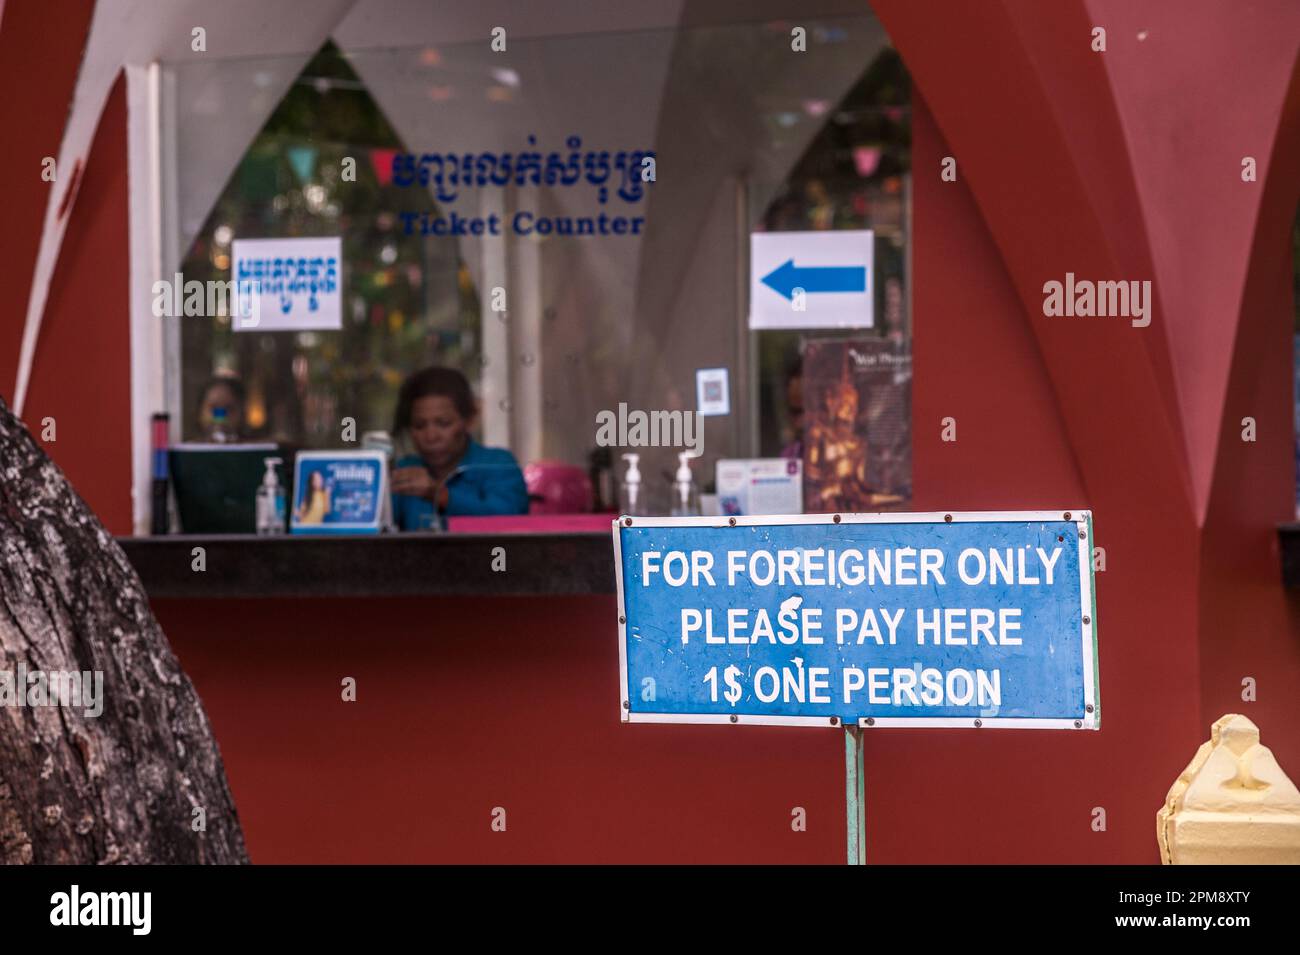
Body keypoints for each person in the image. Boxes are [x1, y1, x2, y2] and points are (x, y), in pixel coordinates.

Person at [390, 366, 528, 530]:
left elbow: (509, 519)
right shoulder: (405, 471)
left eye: (443, 423)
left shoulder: (498, 464)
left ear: (469, 421)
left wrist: (441, 496)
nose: (431, 436)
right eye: (419, 426)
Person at [197, 375, 246, 441]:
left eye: (229, 408)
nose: (220, 417)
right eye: (213, 407)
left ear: (242, 413)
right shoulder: (187, 449)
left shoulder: (255, 449)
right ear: (200, 412)